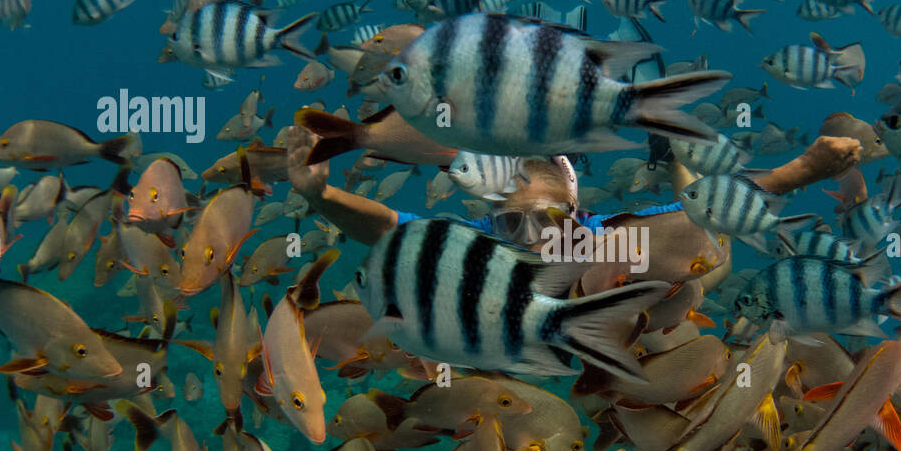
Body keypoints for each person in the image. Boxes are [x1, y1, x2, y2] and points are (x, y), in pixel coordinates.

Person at [285, 125, 865, 255]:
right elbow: (392, 228)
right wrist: (320, 197)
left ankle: (672, 159)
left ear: (578, 217)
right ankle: (670, 157)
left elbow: (707, 212)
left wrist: (800, 172)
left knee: (698, 218)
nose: (534, 241)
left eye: (548, 223)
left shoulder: (606, 239)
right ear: (492, 220)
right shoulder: (481, 245)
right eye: (513, 223)